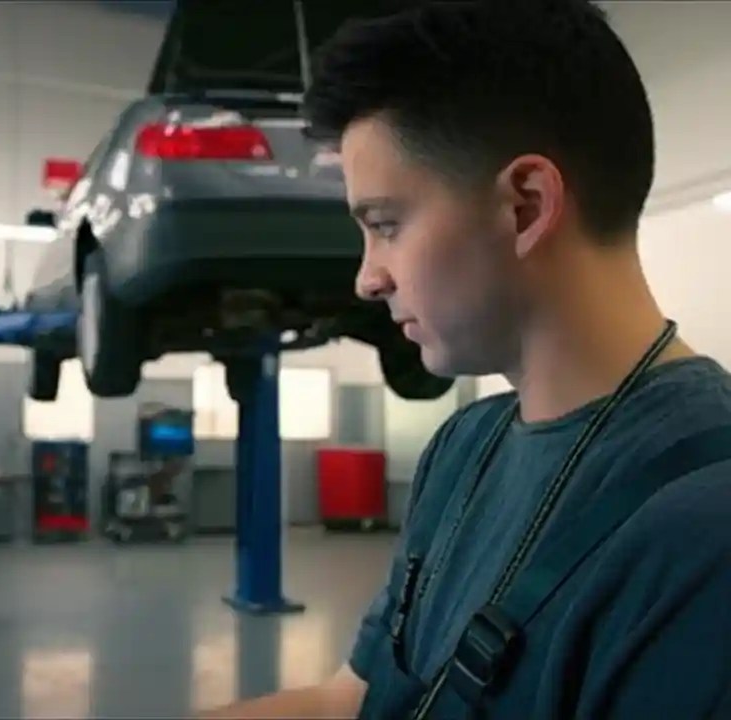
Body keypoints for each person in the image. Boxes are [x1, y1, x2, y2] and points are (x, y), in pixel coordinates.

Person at [204, 1, 731, 718]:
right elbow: (348, 702)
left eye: (386, 225)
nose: (367, 278)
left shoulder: (705, 527)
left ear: (525, 206)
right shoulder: (463, 448)